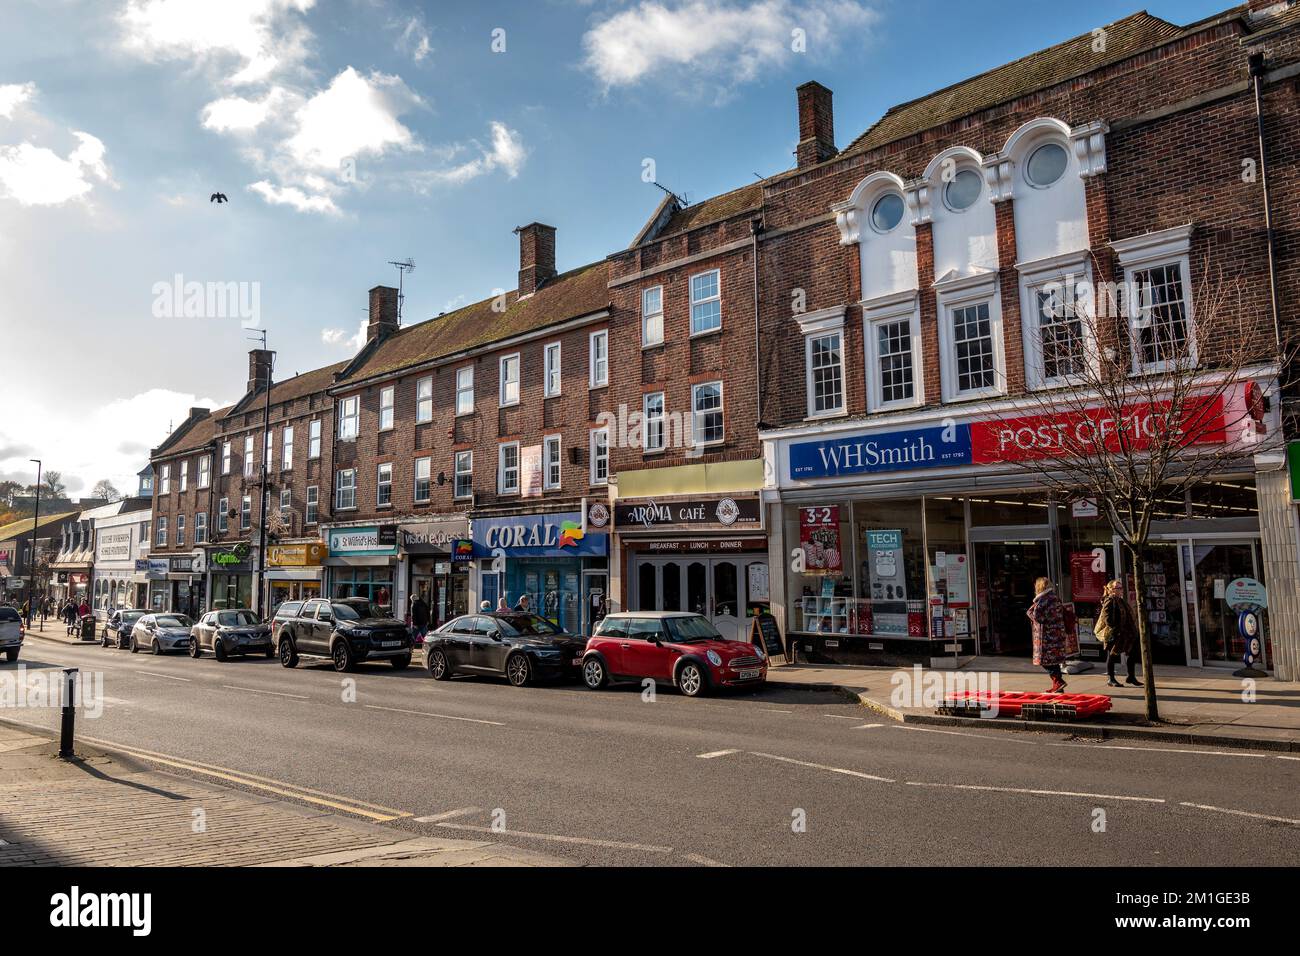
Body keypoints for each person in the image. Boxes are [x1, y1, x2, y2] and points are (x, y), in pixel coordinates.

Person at [1026, 576, 1077, 693]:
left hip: (1046, 636)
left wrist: (1030, 613)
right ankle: (1058, 686)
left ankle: (1058, 682)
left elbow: (1038, 617)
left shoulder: (1043, 600)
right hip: (1058, 634)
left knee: (1045, 661)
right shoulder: (1055, 598)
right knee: (1053, 660)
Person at [1095, 579, 1141, 688]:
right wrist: (1115, 629)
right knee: (1112, 656)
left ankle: (1131, 677)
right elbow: (1107, 619)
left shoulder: (1120, 600)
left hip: (1126, 633)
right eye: (1118, 588)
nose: (1121, 590)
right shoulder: (1110, 601)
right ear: (1111, 590)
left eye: (1121, 588)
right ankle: (1110, 679)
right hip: (1115, 633)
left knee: (1132, 653)